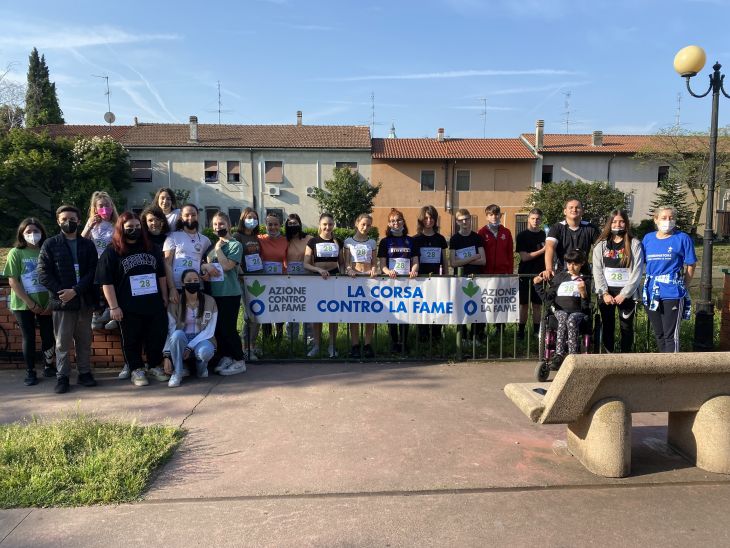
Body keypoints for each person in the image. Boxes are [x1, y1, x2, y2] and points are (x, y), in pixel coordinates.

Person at [96, 212, 169, 386]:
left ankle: (153, 365)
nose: (134, 230)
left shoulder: (150, 247)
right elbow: (106, 282)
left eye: (137, 227)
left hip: (153, 302)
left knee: (156, 336)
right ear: (121, 228)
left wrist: (165, 297)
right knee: (131, 338)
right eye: (129, 227)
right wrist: (113, 307)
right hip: (128, 305)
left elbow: (161, 275)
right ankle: (136, 369)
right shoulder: (112, 251)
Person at [37, 205, 99, 394]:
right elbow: (42, 273)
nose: (68, 222)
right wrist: (62, 291)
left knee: (84, 340)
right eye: (64, 219)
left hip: (83, 301)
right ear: (58, 221)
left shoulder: (88, 244)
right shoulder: (50, 244)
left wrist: (76, 290)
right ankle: (62, 377)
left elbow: (92, 271)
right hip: (62, 302)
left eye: (72, 219)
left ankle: (84, 372)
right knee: (62, 343)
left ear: (79, 221)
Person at [3, 218, 55, 385]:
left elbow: (55, 277)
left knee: (48, 336)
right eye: (28, 232)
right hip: (23, 304)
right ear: (22, 234)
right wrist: (30, 303)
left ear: (42, 232)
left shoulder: (47, 251)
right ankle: (30, 371)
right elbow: (13, 281)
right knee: (29, 337)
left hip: (46, 303)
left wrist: (51, 302)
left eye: (36, 231)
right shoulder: (16, 253)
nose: (33, 235)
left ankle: (49, 366)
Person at [642, 206, 696, 353]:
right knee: (659, 334)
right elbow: (640, 262)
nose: (668, 221)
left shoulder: (682, 238)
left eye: (671, 218)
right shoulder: (648, 238)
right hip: (652, 291)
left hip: (672, 291)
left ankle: (674, 370)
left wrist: (685, 285)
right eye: (664, 218)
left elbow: (690, 264)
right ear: (656, 219)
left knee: (670, 335)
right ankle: (663, 369)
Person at [592, 209, 644, 353]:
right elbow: (597, 270)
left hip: (626, 294)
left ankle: (625, 360)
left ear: (626, 223)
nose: (618, 224)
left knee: (626, 327)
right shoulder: (600, 245)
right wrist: (604, 292)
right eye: (614, 221)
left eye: (621, 221)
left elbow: (638, 270)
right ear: (609, 223)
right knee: (608, 326)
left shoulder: (634, 244)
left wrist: (625, 293)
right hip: (607, 294)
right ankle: (609, 357)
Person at [202, 212, 246, 376]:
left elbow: (227, 266)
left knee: (229, 328)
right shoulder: (212, 248)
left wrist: (219, 248)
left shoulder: (235, 245)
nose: (218, 227)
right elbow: (206, 265)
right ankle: (227, 356)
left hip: (230, 293)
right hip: (215, 293)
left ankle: (239, 360)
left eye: (221, 224)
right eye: (215, 224)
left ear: (228, 225)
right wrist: (205, 269)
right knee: (219, 328)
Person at [533, 249, 591, 367]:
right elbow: (548, 298)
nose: (571, 267)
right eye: (569, 264)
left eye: (575, 264)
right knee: (564, 317)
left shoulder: (585, 280)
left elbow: (585, 305)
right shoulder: (560, 278)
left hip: (577, 312)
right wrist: (537, 285)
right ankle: (559, 355)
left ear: (581, 264)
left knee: (571, 319)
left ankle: (572, 354)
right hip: (560, 310)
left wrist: (583, 293)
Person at [162, 269, 218, 387]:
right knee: (177, 334)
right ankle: (177, 373)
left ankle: (201, 369)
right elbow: (171, 330)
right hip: (182, 339)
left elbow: (209, 330)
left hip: (202, 339)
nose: (193, 283)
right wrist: (167, 355)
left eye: (195, 280)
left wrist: (189, 346)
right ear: (182, 283)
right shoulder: (175, 303)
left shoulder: (210, 301)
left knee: (205, 352)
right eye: (189, 281)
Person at [378, 208, 419, 354]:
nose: (396, 223)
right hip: (391, 283)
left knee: (405, 312)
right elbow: (382, 265)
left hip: (407, 283)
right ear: (389, 224)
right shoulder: (384, 242)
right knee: (393, 313)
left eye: (399, 220)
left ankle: (404, 342)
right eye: (393, 221)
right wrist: (389, 272)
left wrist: (414, 270)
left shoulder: (411, 240)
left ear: (403, 221)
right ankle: (394, 342)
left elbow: (415, 261)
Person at [304, 213, 344, 358]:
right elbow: (306, 263)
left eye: (330, 224)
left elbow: (342, 263)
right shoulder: (312, 241)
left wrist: (343, 276)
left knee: (333, 314)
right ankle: (316, 346)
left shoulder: (338, 241)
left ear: (334, 225)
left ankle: (332, 346)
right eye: (325, 224)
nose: (327, 227)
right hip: (317, 280)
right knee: (317, 314)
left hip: (334, 280)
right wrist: (319, 270)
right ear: (320, 225)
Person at [81, 191, 119, 330]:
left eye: (107, 205)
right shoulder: (92, 223)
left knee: (110, 284)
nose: (105, 208)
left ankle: (112, 313)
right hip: (94, 261)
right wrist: (90, 226)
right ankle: (96, 313)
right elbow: (82, 240)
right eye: (101, 205)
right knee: (94, 286)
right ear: (95, 208)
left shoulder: (116, 223)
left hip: (110, 261)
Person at [344, 213, 378, 358]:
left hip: (369, 280)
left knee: (369, 314)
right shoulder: (348, 241)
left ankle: (368, 344)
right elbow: (346, 262)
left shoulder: (372, 242)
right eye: (363, 224)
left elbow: (374, 262)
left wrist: (374, 269)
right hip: (354, 281)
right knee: (354, 314)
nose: (365, 227)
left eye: (368, 225)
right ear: (357, 224)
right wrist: (349, 269)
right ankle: (355, 345)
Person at [449, 209, 486, 340]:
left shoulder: (477, 238)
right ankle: (463, 337)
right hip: (461, 280)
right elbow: (453, 263)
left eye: (467, 219)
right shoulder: (454, 239)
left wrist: (463, 261)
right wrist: (472, 257)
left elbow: (483, 260)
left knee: (478, 308)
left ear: (470, 220)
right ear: (457, 222)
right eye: (461, 219)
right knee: (461, 309)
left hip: (476, 279)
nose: (464, 222)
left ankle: (477, 336)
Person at [413, 205, 447, 344]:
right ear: (421, 219)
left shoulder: (440, 238)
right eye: (426, 217)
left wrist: (446, 275)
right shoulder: (415, 239)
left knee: (437, 308)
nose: (429, 220)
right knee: (422, 309)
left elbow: (444, 259)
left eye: (431, 217)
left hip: (437, 280)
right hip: (420, 280)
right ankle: (423, 338)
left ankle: (436, 338)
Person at [163, 203, 211, 301]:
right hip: (178, 287)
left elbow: (207, 262)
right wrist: (172, 288)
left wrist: (207, 271)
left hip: (198, 286)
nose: (190, 217)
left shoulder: (205, 240)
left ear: (198, 216)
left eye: (193, 215)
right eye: (186, 215)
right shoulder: (173, 236)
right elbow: (167, 263)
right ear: (181, 217)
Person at [543, 198, 599, 278]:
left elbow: (600, 248)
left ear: (582, 211)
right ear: (565, 211)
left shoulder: (591, 228)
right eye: (571, 207)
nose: (574, 209)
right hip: (562, 273)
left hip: (584, 274)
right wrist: (549, 268)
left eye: (577, 207)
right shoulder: (556, 228)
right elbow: (549, 247)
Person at [234, 208, 263, 360]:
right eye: (249, 217)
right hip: (243, 280)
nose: (252, 220)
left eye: (254, 217)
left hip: (257, 279)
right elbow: (234, 259)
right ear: (243, 219)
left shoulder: (256, 237)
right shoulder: (237, 237)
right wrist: (241, 274)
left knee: (257, 313)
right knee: (248, 315)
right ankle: (245, 348)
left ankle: (253, 345)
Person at [515, 208, 546, 340]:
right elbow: (525, 257)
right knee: (524, 305)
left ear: (541, 220)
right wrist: (544, 250)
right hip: (525, 274)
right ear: (528, 219)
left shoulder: (545, 235)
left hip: (540, 274)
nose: (535, 221)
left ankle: (536, 332)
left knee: (537, 305)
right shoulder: (522, 236)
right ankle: (521, 332)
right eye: (533, 218)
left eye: (538, 218)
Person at [259, 211, 287, 339]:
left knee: (278, 308)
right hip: (263, 281)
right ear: (265, 225)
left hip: (279, 280)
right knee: (265, 309)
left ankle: (279, 337)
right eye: (270, 224)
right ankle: (266, 337)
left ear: (280, 225)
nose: (273, 227)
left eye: (276, 224)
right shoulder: (259, 239)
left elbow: (287, 260)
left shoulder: (285, 241)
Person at [284, 213, 312, 342]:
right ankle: (291, 341)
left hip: (307, 279)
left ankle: (310, 339)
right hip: (289, 281)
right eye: (290, 224)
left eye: (295, 223)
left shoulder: (309, 239)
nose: (293, 226)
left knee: (307, 309)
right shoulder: (284, 240)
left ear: (300, 224)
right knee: (291, 310)